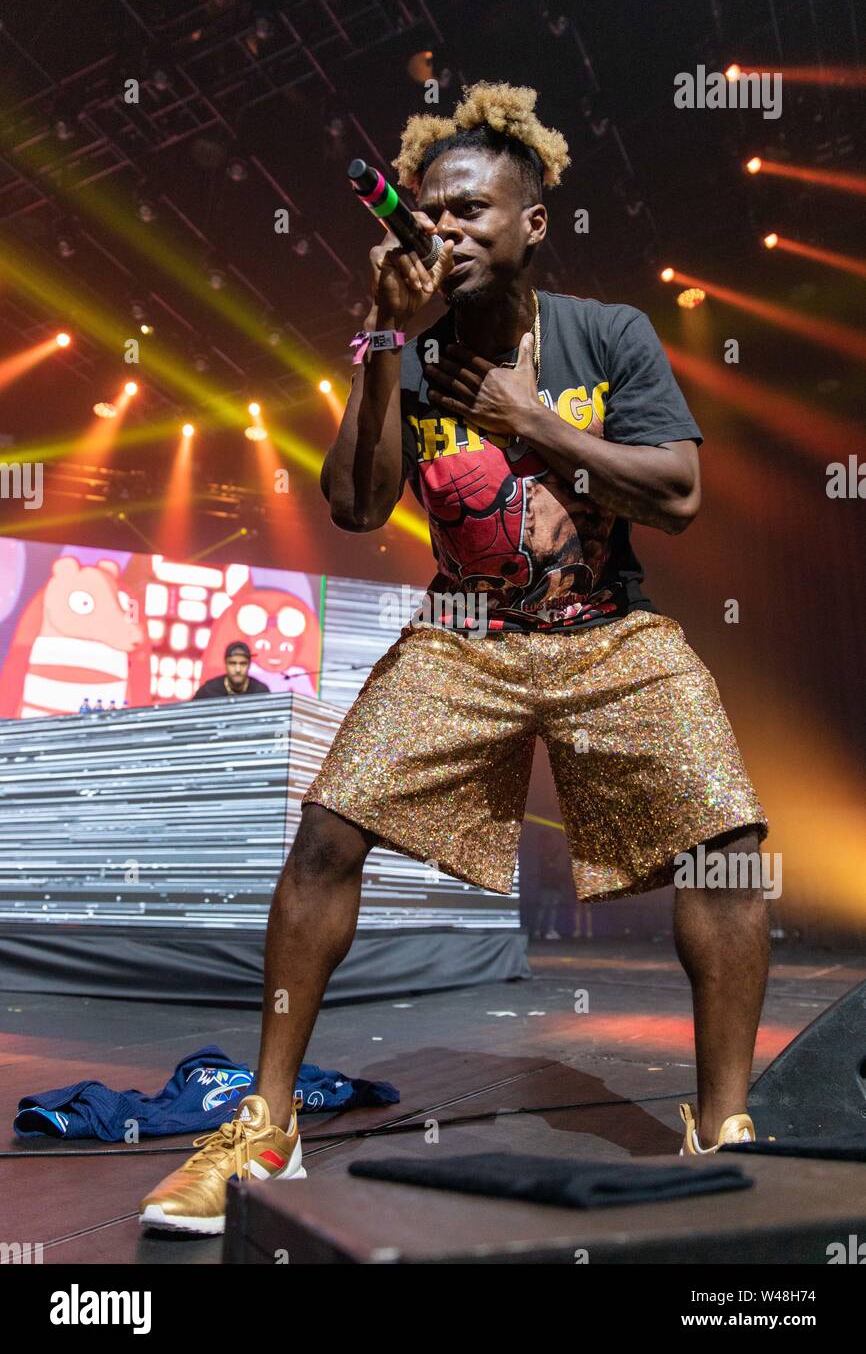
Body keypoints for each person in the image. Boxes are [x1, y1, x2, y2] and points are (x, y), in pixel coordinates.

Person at [139, 81, 769, 1234]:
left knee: (724, 838)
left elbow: (676, 495)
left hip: (605, 630)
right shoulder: (409, 350)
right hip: (464, 631)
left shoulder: (605, 334)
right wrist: (384, 343)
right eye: (431, 214)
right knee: (327, 827)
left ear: (532, 223)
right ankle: (264, 1124)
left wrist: (535, 424)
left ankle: (722, 1120)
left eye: (474, 211)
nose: (447, 230)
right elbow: (355, 502)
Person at [192, 641, 270, 699]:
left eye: (243, 664)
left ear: (249, 665)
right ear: (225, 664)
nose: (238, 669)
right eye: (232, 663)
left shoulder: (260, 692)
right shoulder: (208, 691)